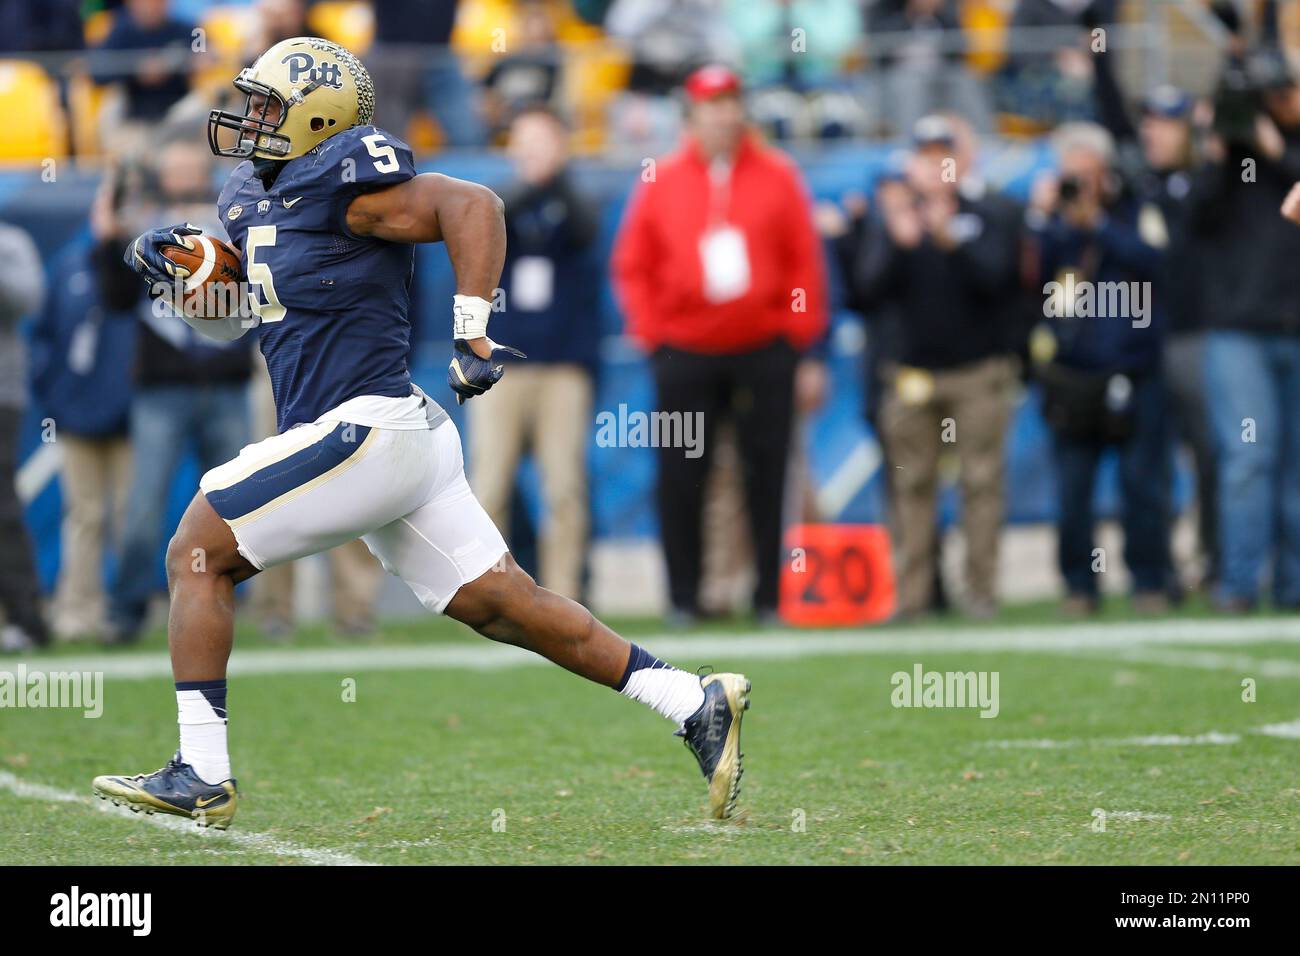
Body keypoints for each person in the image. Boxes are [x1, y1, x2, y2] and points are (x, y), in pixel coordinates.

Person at [92, 37, 749, 828]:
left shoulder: (345, 180)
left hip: (367, 427)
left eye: (268, 107)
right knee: (499, 602)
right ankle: (690, 700)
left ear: (318, 119)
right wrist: (195, 289)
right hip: (386, 438)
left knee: (196, 551)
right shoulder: (246, 193)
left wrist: (472, 331)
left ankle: (201, 769)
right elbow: (246, 322)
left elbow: (473, 205)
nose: (250, 120)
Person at [611, 64, 829, 626]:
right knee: (682, 474)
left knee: (768, 472)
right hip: (685, 350)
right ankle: (684, 597)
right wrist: (652, 334)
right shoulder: (662, 177)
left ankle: (769, 597)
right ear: (693, 114)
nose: (723, 115)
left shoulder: (778, 175)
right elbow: (633, 263)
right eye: (712, 104)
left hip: (763, 347)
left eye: (731, 102)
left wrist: (800, 340)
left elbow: (804, 262)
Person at [843, 115, 1021, 618]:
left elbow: (1000, 282)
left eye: (944, 156)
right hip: (912, 375)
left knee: (980, 482)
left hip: (976, 372)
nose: (935, 167)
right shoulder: (894, 219)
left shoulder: (990, 212)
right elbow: (865, 293)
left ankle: (981, 591)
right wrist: (897, 246)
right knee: (910, 482)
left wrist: (951, 243)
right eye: (926, 157)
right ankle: (913, 597)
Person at [100, 138, 254, 643]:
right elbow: (116, 300)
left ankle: (232, 603)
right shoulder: (143, 223)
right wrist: (110, 244)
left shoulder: (234, 220)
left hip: (225, 382)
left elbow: (258, 297)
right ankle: (127, 610)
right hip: (163, 389)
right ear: (161, 176)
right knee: (144, 505)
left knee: (242, 505)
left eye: (192, 168)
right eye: (176, 170)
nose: (185, 179)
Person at [1028, 122, 1171, 614]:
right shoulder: (1053, 225)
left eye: (1086, 175)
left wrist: (1099, 224)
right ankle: (1079, 586)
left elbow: (1156, 262)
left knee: (1141, 483)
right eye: (1071, 176)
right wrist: (1044, 219)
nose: (1079, 186)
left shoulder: (1136, 209)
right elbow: (1032, 282)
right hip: (1074, 375)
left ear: (1106, 174)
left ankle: (1149, 580)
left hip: (1135, 368)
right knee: (1073, 489)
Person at [468, 106, 601, 602]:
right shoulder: (497, 202)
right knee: (490, 484)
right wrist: (532, 179)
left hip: (562, 368)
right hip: (500, 365)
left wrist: (555, 176)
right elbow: (492, 219)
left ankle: (565, 596)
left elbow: (586, 228)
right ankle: (492, 595)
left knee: (563, 487)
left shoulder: (576, 201)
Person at [1192, 49, 1300, 612]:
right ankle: (1238, 584)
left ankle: (1294, 585)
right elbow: (1193, 222)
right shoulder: (1232, 162)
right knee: (1250, 457)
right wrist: (1219, 152)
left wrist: (1277, 150)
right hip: (1240, 331)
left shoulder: (1287, 151)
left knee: (1296, 465)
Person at [0, 222, 49, 652]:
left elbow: (26, 299)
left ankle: (26, 616)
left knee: (2, 506)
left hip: (1, 395)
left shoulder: (10, 242)